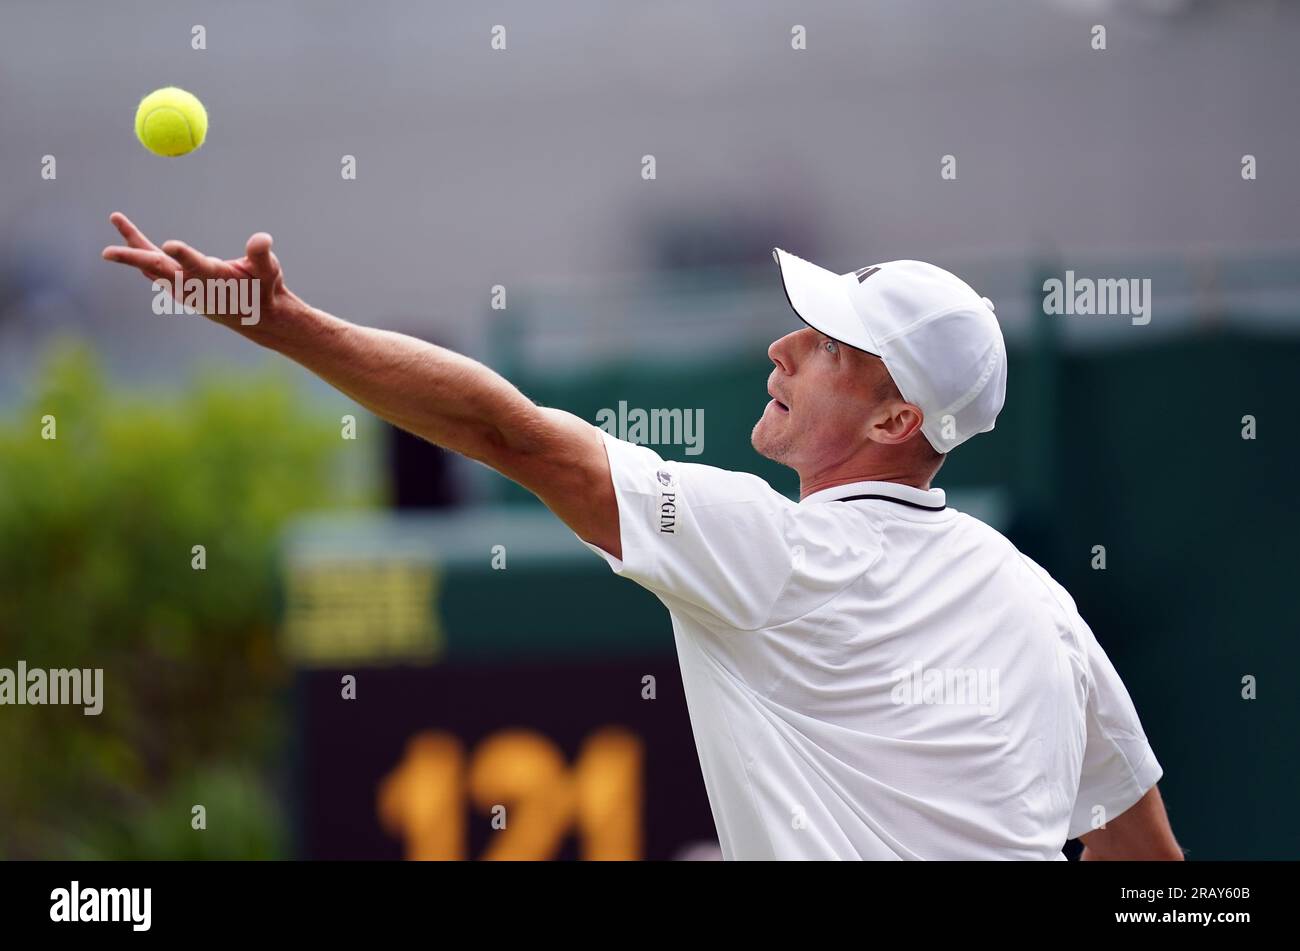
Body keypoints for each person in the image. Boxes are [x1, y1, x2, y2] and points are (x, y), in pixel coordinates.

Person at [102, 214, 1181, 860]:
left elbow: (507, 433)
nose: (783, 345)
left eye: (826, 345)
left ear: (898, 419)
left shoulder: (779, 556)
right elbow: (1148, 861)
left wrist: (284, 324)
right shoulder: (1044, 607)